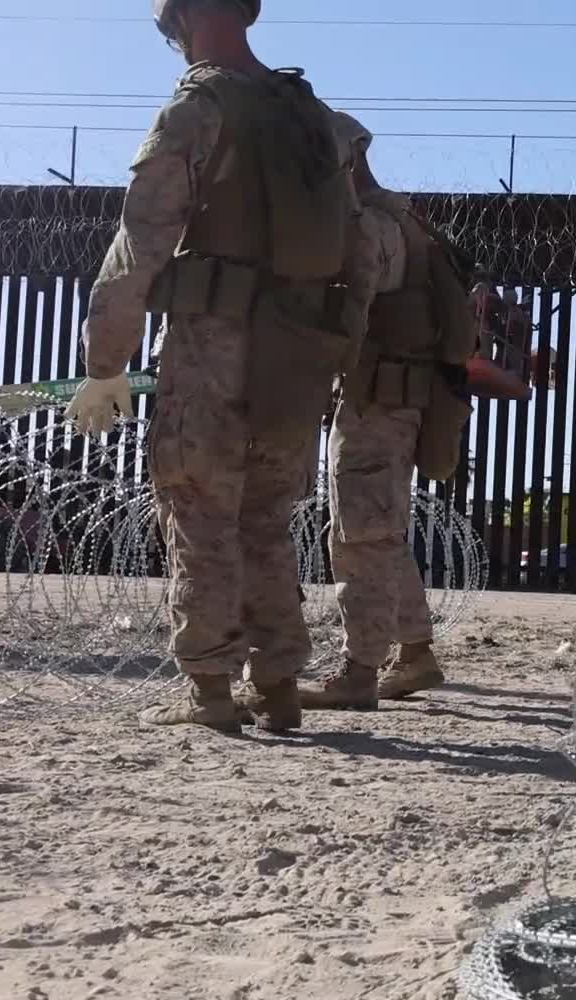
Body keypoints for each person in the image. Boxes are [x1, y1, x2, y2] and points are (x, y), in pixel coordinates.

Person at [64, 0, 372, 734]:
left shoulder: (198, 107)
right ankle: (280, 686)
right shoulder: (322, 122)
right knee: (266, 521)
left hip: (214, 348)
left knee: (200, 512)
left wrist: (106, 360)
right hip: (297, 354)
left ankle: (209, 688)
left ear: (188, 17)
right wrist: (337, 355)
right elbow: (362, 255)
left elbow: (142, 242)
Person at [296, 112, 467, 711]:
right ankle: (415, 653)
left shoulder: (369, 228)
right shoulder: (404, 220)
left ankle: (359, 671)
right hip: (394, 400)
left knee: (360, 537)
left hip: (376, 402)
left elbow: (348, 324)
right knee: (378, 532)